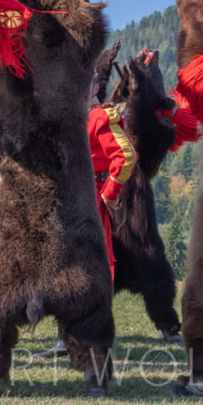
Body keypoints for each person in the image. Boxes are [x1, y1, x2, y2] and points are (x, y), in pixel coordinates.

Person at [35, 72, 138, 358]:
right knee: (63, 270)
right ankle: (64, 340)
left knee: (91, 271)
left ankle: (93, 340)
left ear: (94, 86)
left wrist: (108, 194)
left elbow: (126, 156)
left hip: (90, 202)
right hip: (65, 201)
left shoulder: (99, 117)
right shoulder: (65, 118)